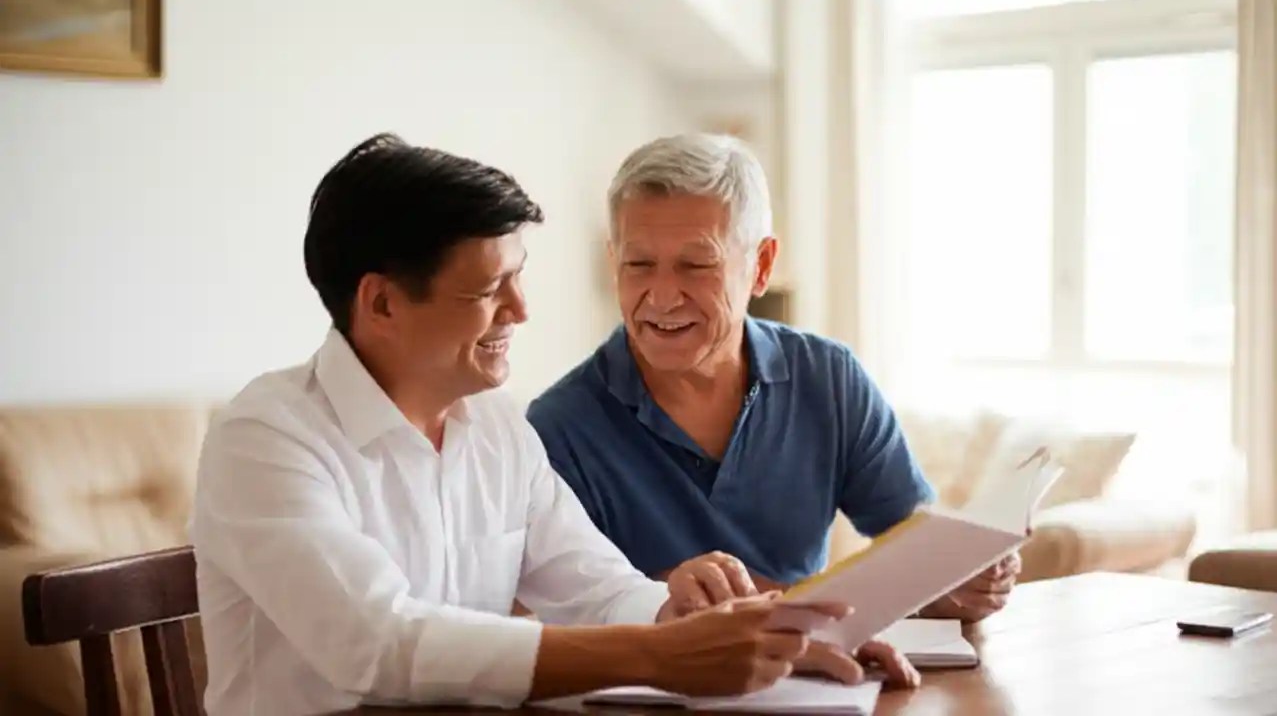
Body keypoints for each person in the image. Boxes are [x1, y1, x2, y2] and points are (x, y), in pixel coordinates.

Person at [190, 133, 862, 716]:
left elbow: (594, 585)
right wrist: (659, 653)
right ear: (383, 303)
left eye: (519, 279)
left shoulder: (496, 428)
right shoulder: (265, 439)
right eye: (489, 291)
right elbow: (378, 642)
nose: (521, 310)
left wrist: (741, 632)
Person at [527, 133, 1020, 679]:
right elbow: (553, 618)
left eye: (696, 265)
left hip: (819, 684)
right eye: (640, 264)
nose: (662, 297)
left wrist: (953, 580)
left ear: (760, 266)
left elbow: (912, 549)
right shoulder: (556, 429)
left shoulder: (830, 379)